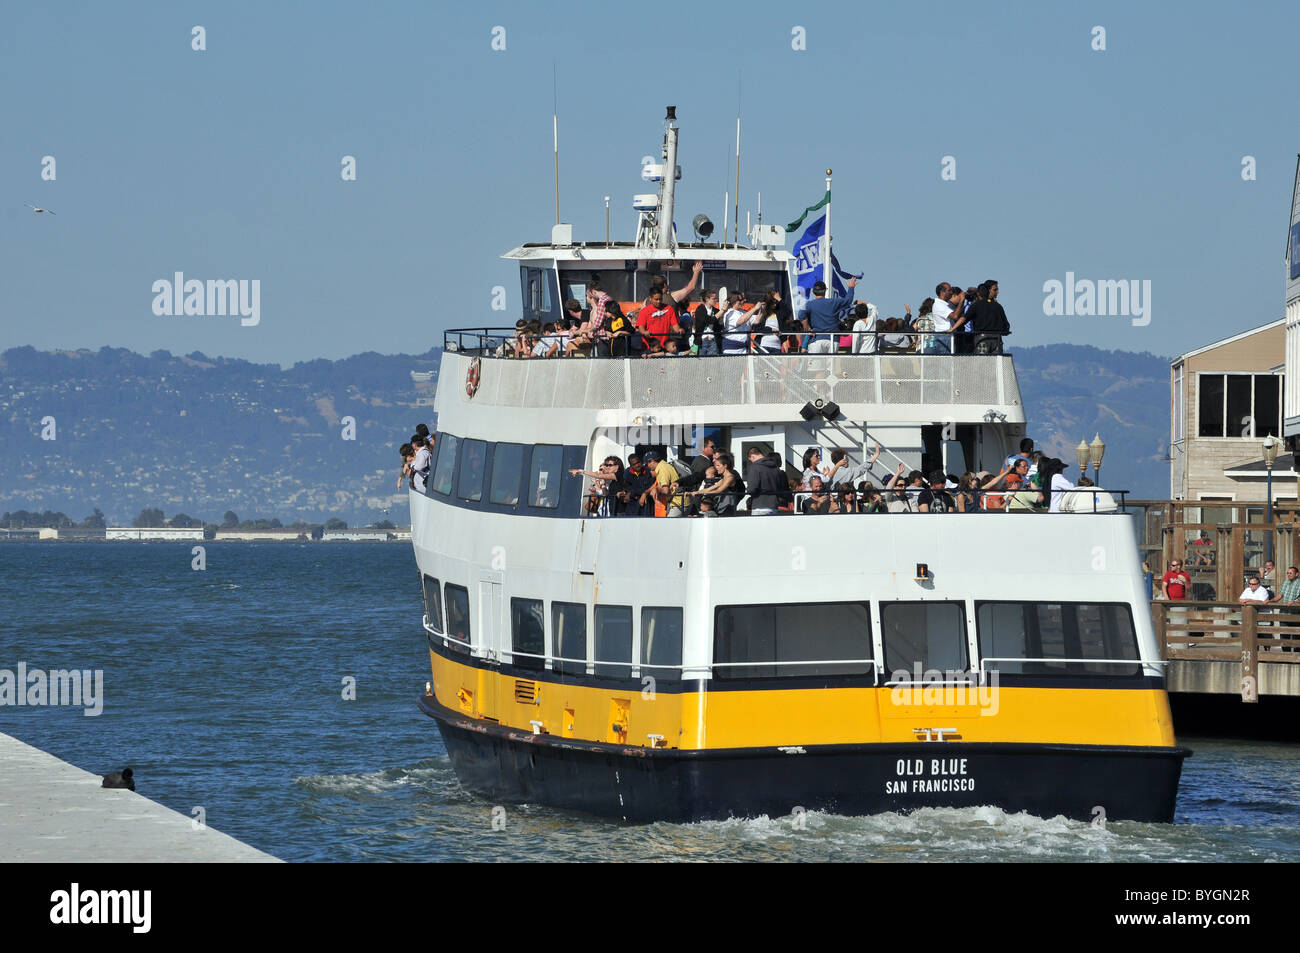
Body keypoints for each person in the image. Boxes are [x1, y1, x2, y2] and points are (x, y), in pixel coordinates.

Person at [800, 277, 858, 353]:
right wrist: (851, 287)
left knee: (815, 364)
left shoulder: (809, 304)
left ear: (813, 291)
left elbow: (801, 315)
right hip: (833, 339)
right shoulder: (833, 302)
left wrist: (807, 329)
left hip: (816, 339)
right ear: (825, 290)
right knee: (831, 365)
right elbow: (848, 300)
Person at [744, 447, 788, 515]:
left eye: (750, 460)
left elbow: (752, 489)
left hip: (759, 505)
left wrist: (748, 490)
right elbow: (780, 487)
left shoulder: (755, 467)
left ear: (752, 456)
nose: (752, 462)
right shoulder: (775, 467)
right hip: (774, 505)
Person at [970, 279, 1010, 355]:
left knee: (982, 363)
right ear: (988, 290)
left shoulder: (976, 305)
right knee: (994, 364)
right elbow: (1006, 325)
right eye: (995, 290)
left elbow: (964, 319)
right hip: (994, 339)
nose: (998, 292)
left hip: (983, 339)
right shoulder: (997, 306)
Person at [693, 290, 725, 356]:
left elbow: (719, 326)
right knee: (701, 363)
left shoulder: (716, 311)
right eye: (713, 298)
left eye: (716, 298)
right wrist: (722, 310)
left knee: (712, 363)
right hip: (702, 341)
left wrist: (721, 319)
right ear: (707, 299)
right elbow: (709, 320)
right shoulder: (700, 309)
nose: (716, 300)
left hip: (713, 341)